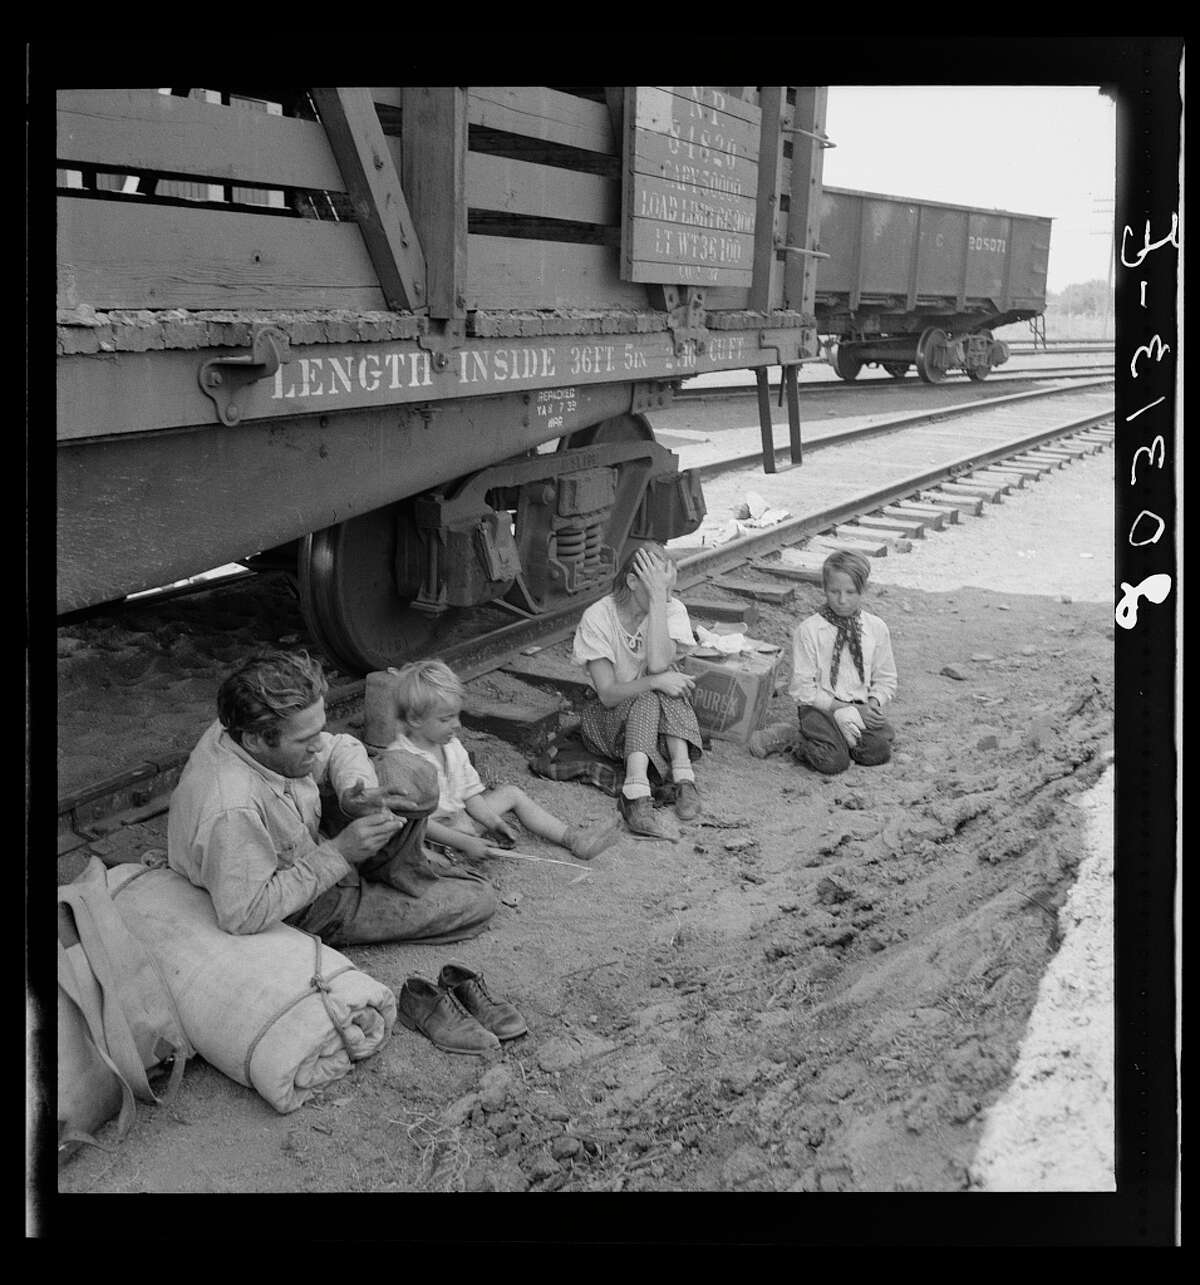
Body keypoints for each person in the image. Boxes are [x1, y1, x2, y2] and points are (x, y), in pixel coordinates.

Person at [167, 649, 497, 948]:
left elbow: (340, 746)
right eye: (306, 740)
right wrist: (339, 853)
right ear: (256, 741)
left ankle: (388, 872)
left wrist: (357, 791)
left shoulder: (248, 727)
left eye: (318, 731)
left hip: (310, 844)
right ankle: (375, 887)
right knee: (477, 898)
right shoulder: (232, 808)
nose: (319, 746)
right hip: (298, 903)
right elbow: (245, 914)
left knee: (411, 773)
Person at [378, 660, 620, 862]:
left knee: (511, 793)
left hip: (458, 821)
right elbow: (417, 824)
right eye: (445, 719)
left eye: (456, 716)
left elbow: (470, 796)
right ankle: (451, 856)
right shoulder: (401, 760)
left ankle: (572, 838)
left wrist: (493, 822)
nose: (457, 725)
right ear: (415, 719)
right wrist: (464, 840)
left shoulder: (451, 746)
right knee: (415, 852)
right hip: (426, 834)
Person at [571, 542, 704, 839]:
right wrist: (655, 681)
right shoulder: (598, 617)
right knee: (653, 690)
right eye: (658, 589)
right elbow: (606, 694)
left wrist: (658, 602)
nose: (667, 598)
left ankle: (683, 779)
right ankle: (636, 795)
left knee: (670, 683)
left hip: (657, 733)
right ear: (632, 582)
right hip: (609, 724)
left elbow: (657, 663)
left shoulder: (671, 609)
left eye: (669, 590)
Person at [750, 549, 897, 773]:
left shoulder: (876, 628)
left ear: (863, 589)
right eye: (834, 591)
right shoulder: (810, 630)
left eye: (850, 592)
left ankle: (837, 739)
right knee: (834, 763)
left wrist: (873, 705)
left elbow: (886, 678)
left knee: (879, 751)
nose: (842, 600)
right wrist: (842, 709)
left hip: (859, 707)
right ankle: (794, 738)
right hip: (819, 709)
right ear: (824, 588)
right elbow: (803, 690)